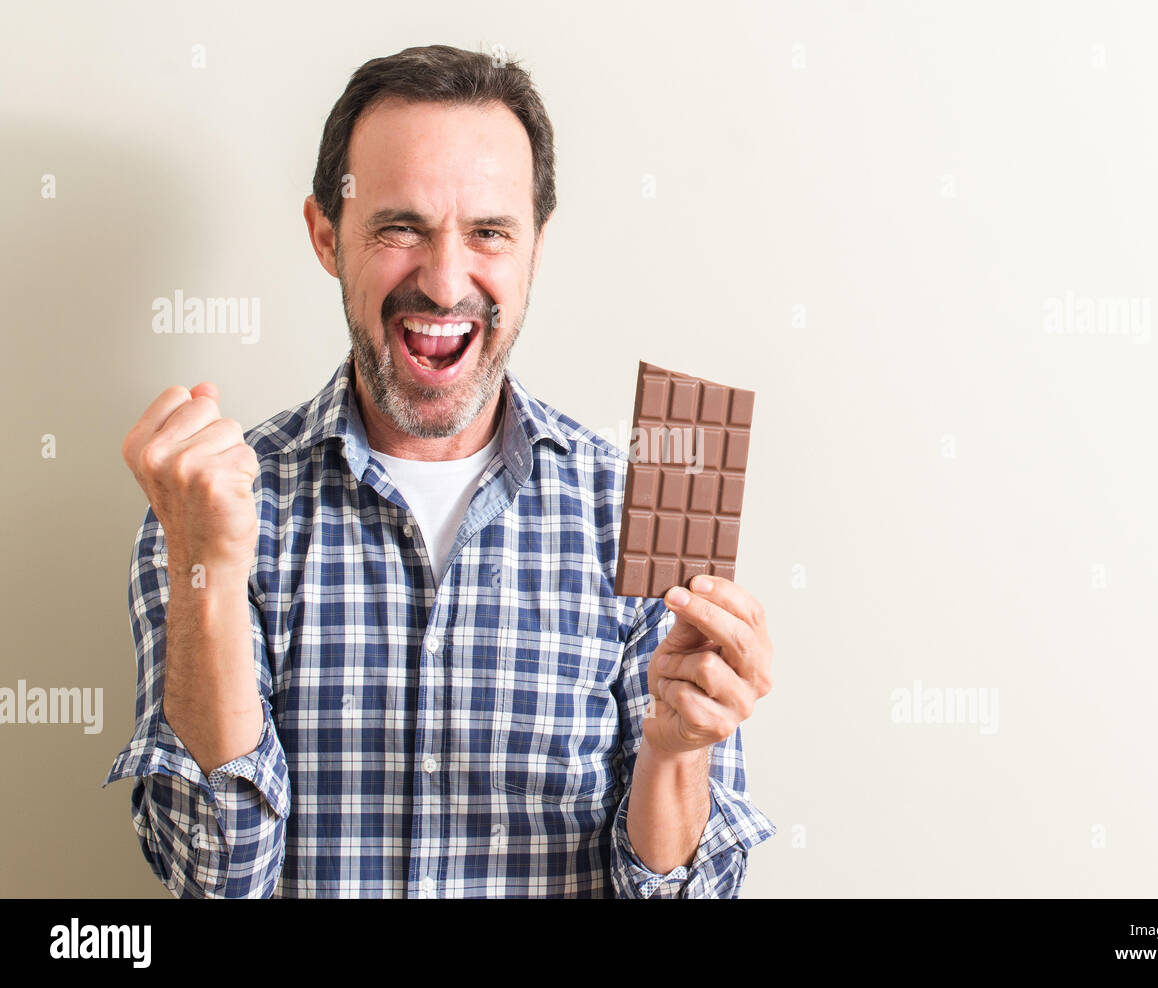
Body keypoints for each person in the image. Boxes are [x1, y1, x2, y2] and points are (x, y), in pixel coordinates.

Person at [105, 44, 775, 898]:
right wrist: (213, 578)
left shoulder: (637, 509)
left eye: (489, 232)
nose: (445, 280)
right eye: (400, 228)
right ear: (325, 235)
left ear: (536, 245)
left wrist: (675, 755)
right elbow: (213, 880)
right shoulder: (210, 508)